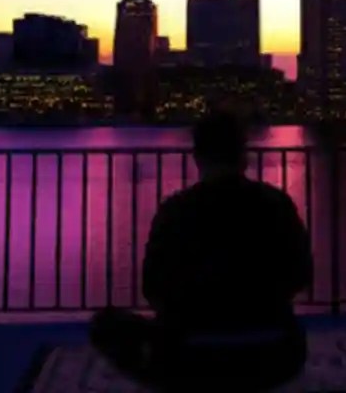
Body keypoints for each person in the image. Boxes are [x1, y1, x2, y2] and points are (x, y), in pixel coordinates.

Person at [90, 111, 314, 391]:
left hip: (189, 356)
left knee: (105, 325)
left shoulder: (175, 210)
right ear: (244, 155)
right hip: (273, 353)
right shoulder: (277, 204)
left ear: (197, 157)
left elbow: (153, 288)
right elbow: (301, 274)